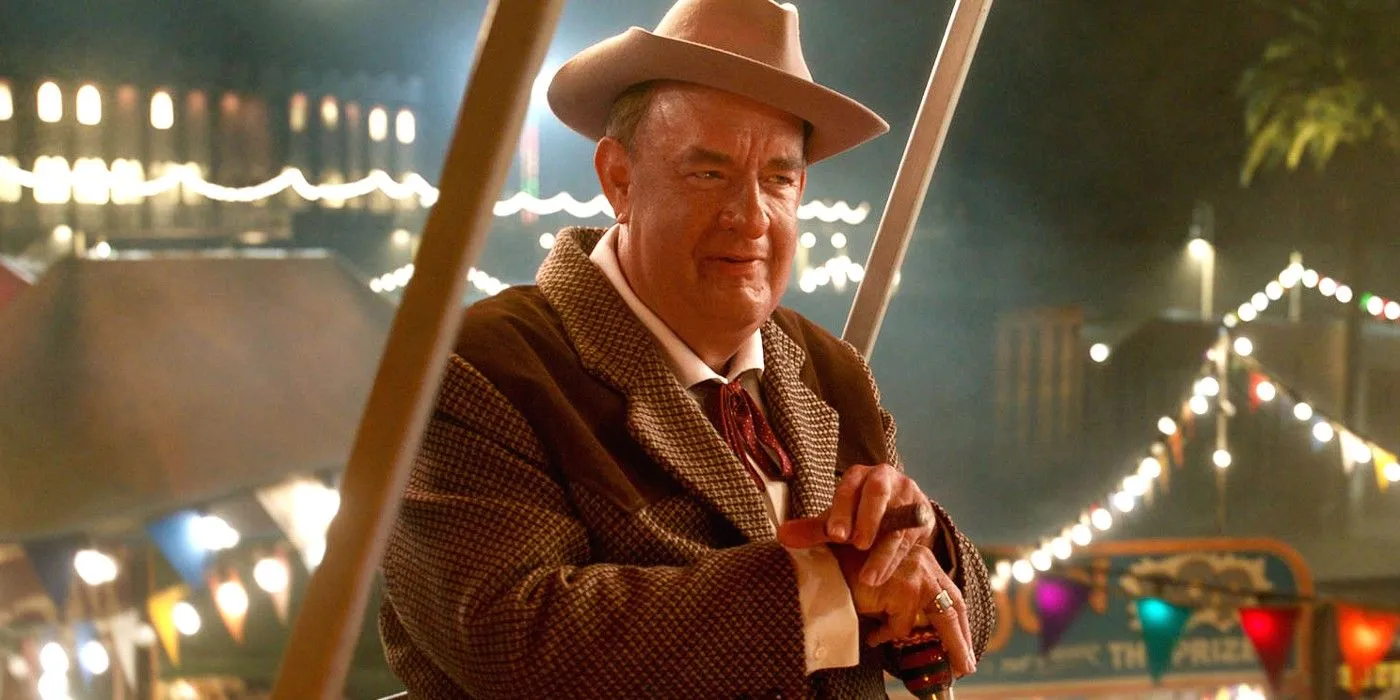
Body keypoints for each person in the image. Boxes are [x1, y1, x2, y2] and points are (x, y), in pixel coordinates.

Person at [378, 0, 994, 697]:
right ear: (619, 179)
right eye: (709, 173)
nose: (752, 216)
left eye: (778, 180)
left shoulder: (831, 369)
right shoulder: (477, 367)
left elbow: (965, 622)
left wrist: (919, 549)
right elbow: (511, 638)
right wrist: (834, 589)